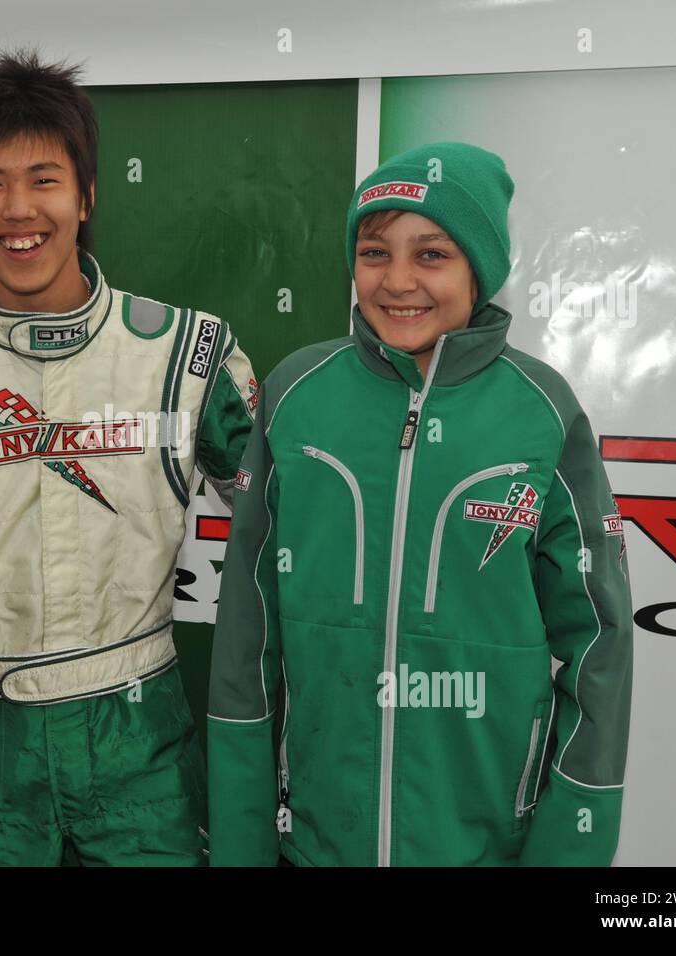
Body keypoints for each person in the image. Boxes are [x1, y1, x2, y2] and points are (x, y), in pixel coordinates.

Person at [0, 49, 259, 866]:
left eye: (44, 178)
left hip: (138, 733)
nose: (17, 208)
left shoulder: (187, 355)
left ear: (86, 196)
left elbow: (280, 519)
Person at [206, 142, 633, 866]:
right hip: (312, 842)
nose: (398, 281)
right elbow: (246, 641)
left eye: (431, 254)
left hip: (484, 844)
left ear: (480, 267)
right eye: (375, 252)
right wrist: (243, 844)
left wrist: (568, 850)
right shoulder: (296, 395)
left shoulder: (542, 412)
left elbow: (599, 645)